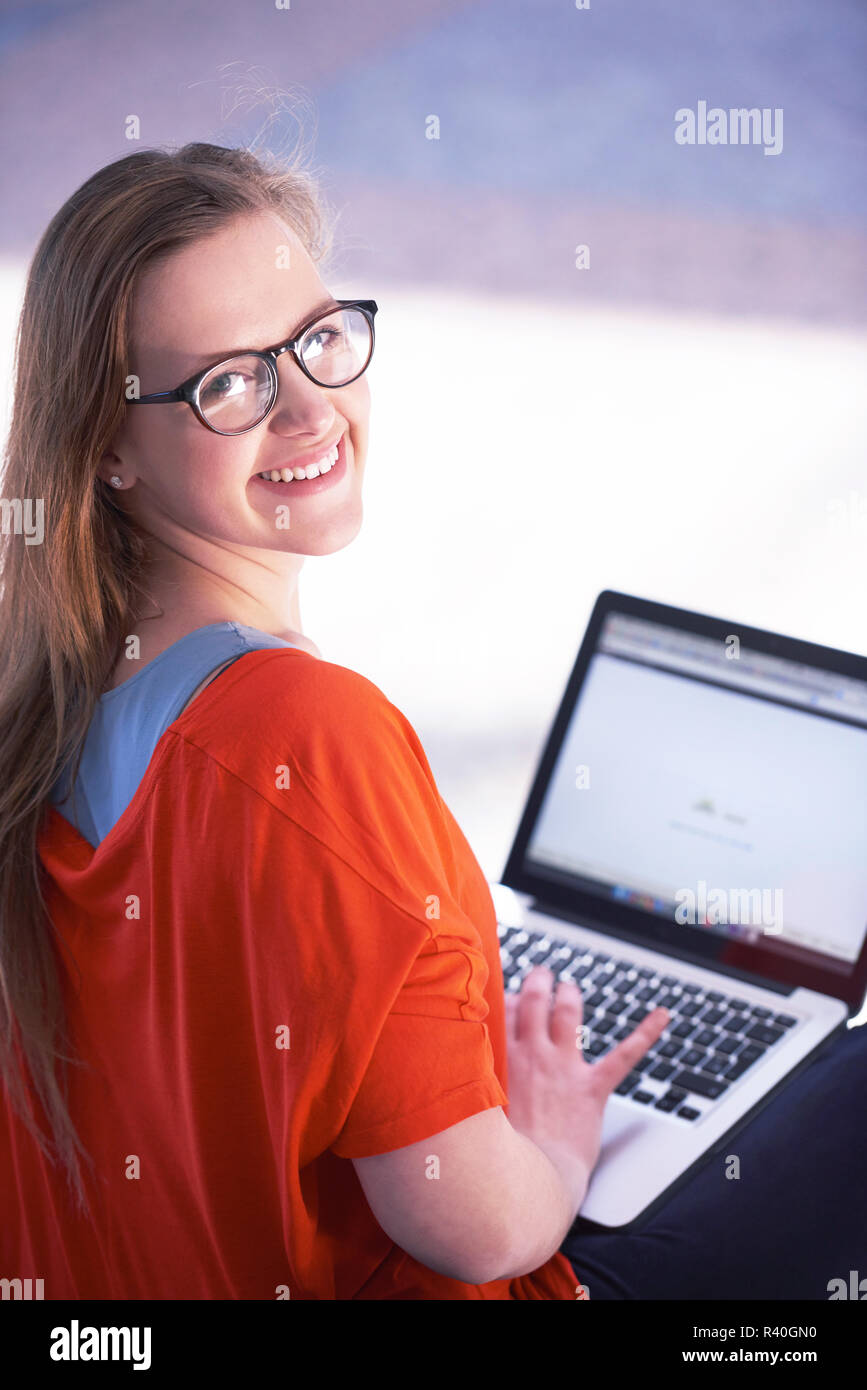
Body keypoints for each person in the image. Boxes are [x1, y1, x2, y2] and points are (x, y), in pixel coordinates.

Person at [1, 142, 860, 1303]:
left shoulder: (39, 707)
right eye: (230, 382)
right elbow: (481, 1229)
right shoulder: (310, 735)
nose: (312, 407)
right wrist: (550, 1131)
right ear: (106, 447)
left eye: (317, 339)